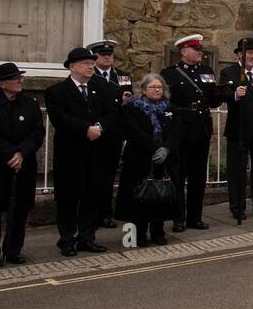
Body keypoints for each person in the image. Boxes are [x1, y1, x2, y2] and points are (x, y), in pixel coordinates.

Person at [0, 62, 44, 267]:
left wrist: (22, 152)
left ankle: (13, 249)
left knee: (20, 209)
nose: (20, 81)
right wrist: (10, 153)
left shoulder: (30, 102)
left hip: (23, 164)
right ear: (1, 83)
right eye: (15, 78)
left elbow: (38, 132)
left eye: (20, 77)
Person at [45, 46, 114, 257]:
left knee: (91, 195)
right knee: (68, 198)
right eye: (86, 63)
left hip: (96, 152)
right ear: (72, 66)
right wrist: (86, 129)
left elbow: (112, 112)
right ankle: (66, 239)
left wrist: (100, 127)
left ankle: (87, 237)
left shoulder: (100, 88)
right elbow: (60, 118)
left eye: (92, 63)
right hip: (71, 152)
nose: (90, 67)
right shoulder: (56, 91)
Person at [161, 34, 221, 232]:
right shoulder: (170, 74)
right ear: (184, 51)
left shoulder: (207, 72)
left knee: (198, 177)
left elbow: (214, 100)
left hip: (201, 128)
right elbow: (165, 103)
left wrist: (227, 92)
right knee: (179, 175)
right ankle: (178, 218)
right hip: (182, 129)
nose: (200, 53)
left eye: (201, 50)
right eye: (196, 50)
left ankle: (195, 217)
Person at [115, 73, 178, 247]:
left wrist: (166, 148)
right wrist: (155, 148)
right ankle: (139, 234)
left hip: (163, 161)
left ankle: (158, 232)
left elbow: (176, 131)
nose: (157, 90)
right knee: (140, 198)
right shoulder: (132, 107)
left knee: (160, 198)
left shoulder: (170, 107)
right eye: (152, 87)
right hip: (139, 159)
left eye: (159, 87)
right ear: (143, 89)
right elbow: (134, 131)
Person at [219, 37, 253, 223]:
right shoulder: (229, 72)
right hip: (239, 130)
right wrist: (235, 94)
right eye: (249, 52)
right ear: (239, 54)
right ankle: (237, 206)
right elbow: (221, 94)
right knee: (237, 171)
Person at [87, 39, 132, 229]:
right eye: (102, 54)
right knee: (94, 175)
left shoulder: (122, 76)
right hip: (96, 131)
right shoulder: (90, 76)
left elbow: (127, 102)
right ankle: (92, 213)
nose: (107, 57)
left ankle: (106, 213)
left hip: (115, 132)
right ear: (95, 57)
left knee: (109, 175)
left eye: (110, 54)